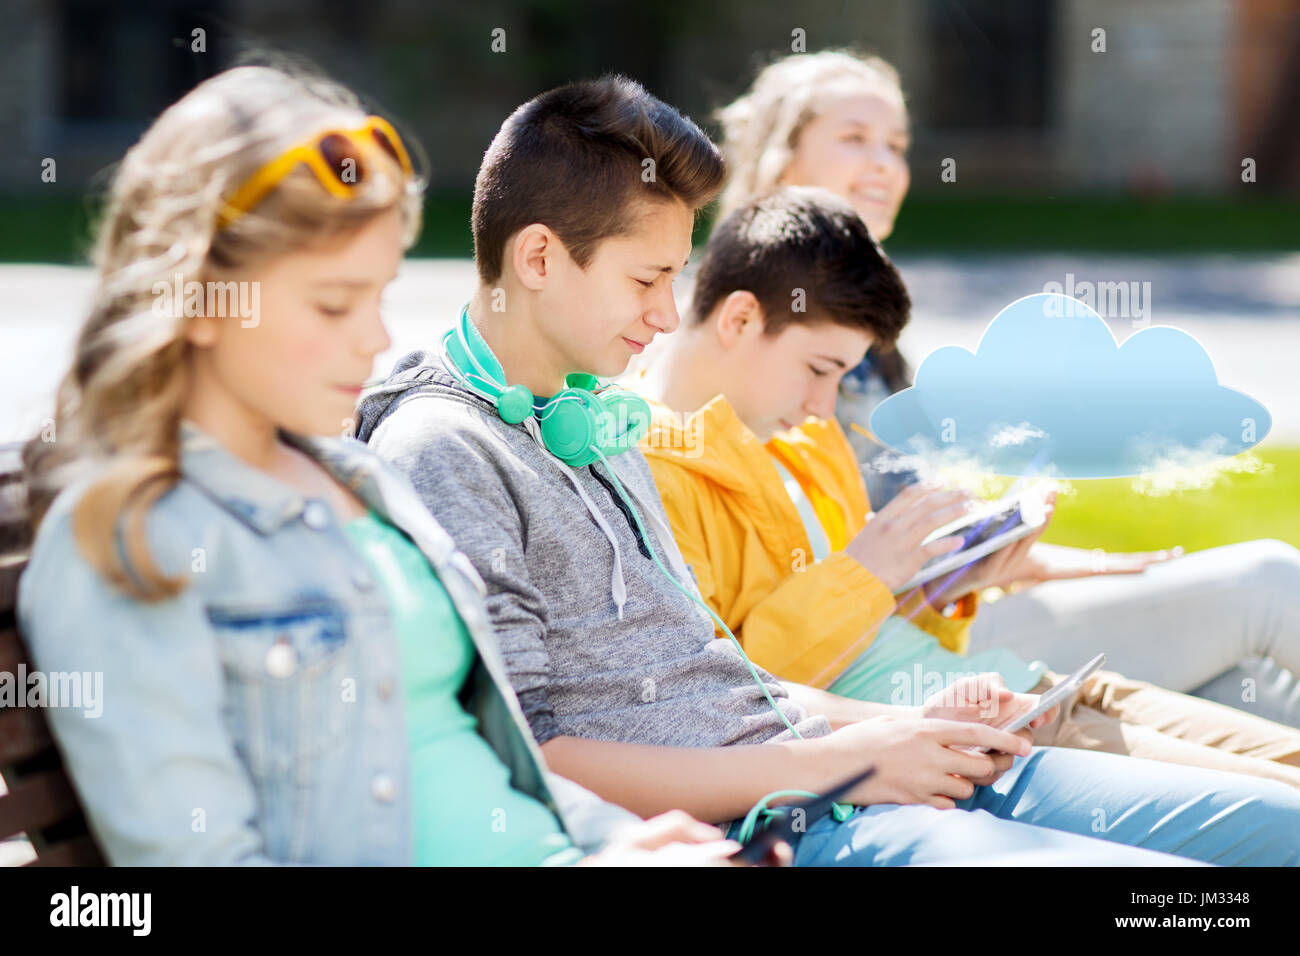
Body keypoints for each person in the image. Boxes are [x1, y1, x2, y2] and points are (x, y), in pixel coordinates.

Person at [357, 74, 1300, 866]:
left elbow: (721, 676)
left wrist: (898, 730)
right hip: (792, 817)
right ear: (537, 258)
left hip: (839, 762)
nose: (662, 316)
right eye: (646, 280)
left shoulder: (594, 412)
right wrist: (846, 762)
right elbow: (530, 753)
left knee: (1278, 827)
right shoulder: (444, 447)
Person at [17, 64, 746, 867]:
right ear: (200, 298)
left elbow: (469, 746)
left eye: (379, 296)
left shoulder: (356, 483)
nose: (374, 339)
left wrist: (623, 839)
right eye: (334, 304)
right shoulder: (133, 548)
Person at [636, 185, 1300, 790]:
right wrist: (865, 573)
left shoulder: (802, 441)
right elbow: (732, 698)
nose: (822, 404)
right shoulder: (650, 470)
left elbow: (875, 631)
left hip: (1030, 689)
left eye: (839, 376)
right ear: (740, 320)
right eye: (818, 369)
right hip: (986, 739)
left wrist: (946, 582)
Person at [716, 48, 1300, 727]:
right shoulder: (745, 331)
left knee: (1247, 686)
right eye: (854, 138)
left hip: (946, 611)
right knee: (1266, 580)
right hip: (885, 653)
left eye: (898, 145)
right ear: (780, 160)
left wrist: (1040, 555)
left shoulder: (870, 336)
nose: (885, 163)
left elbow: (914, 539)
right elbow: (796, 567)